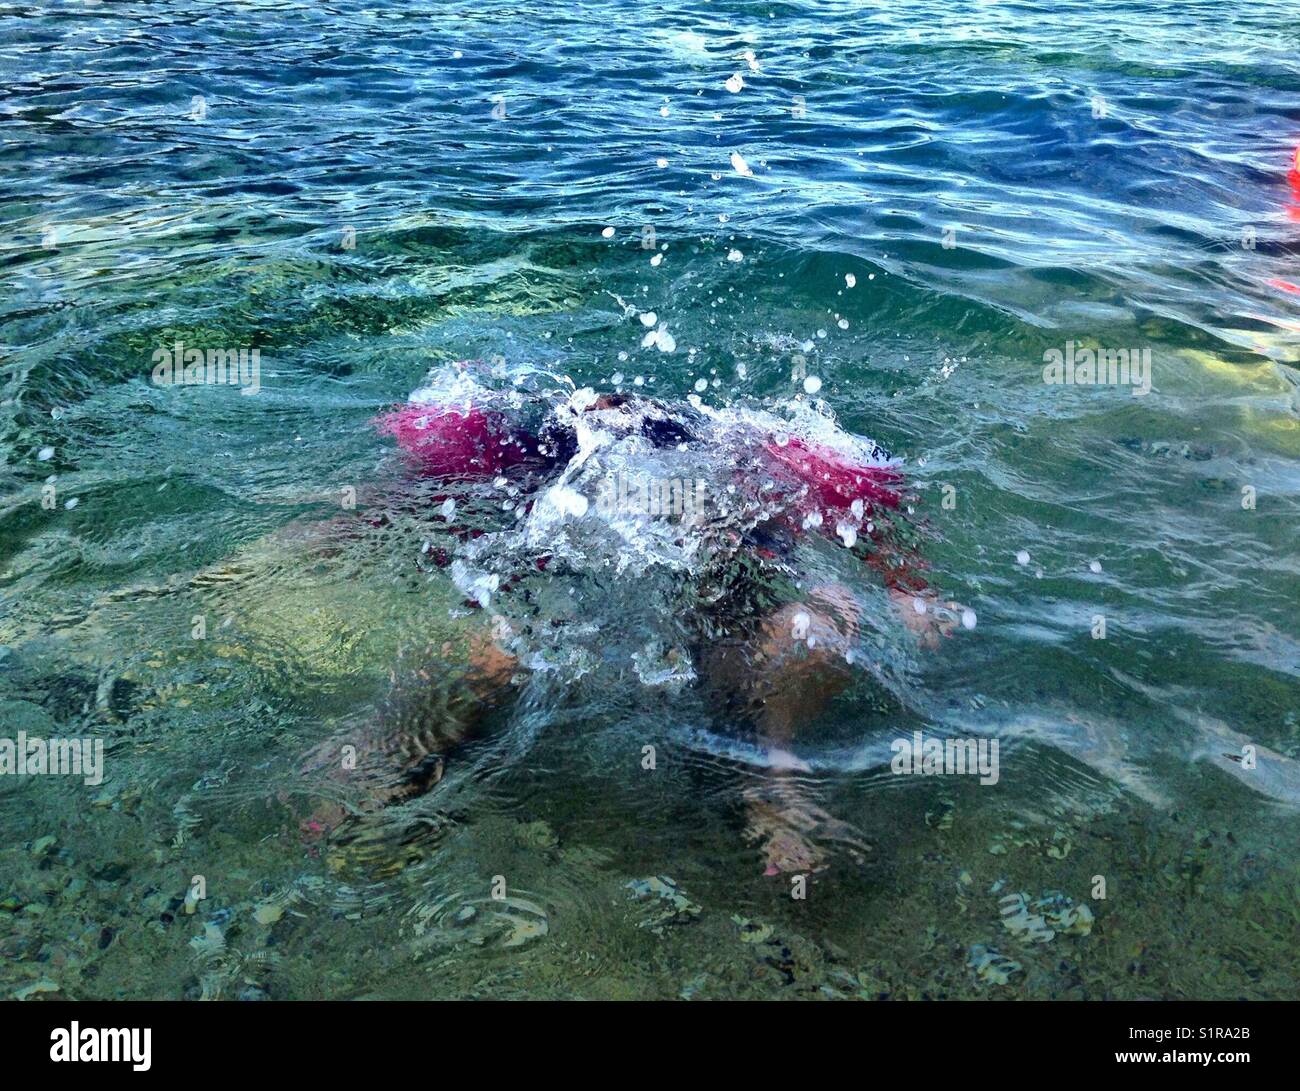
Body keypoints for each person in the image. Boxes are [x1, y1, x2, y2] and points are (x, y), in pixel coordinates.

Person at [302, 369, 968, 873]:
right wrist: (908, 586)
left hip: (697, 544)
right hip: (565, 527)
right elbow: (404, 499)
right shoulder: (534, 454)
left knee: (799, 623)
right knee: (503, 637)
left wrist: (910, 586)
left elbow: (870, 503)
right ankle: (398, 735)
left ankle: (771, 780)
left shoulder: (752, 457)